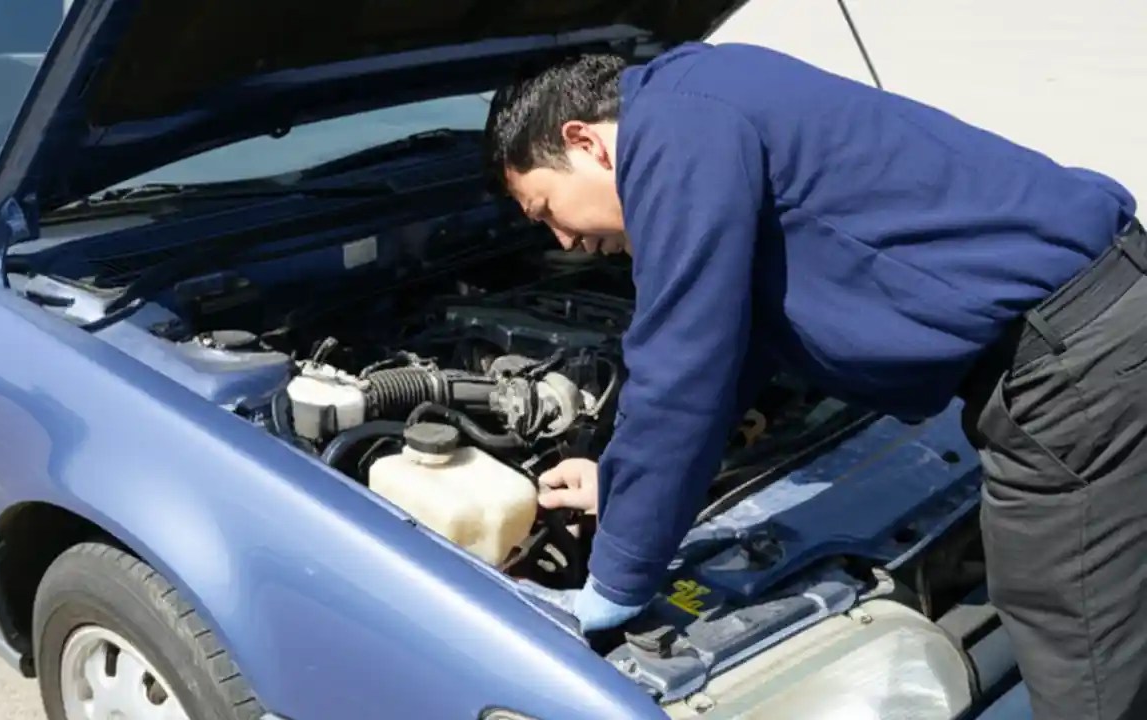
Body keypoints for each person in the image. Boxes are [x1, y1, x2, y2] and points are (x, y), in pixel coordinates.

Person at [484, 41, 1144, 720]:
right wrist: (619, 481)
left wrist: (614, 583)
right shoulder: (704, 92)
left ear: (584, 141)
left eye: (544, 210)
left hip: (1073, 369)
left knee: (1077, 645)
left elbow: (683, 362)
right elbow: (734, 348)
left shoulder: (670, 130)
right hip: (1095, 332)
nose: (561, 242)